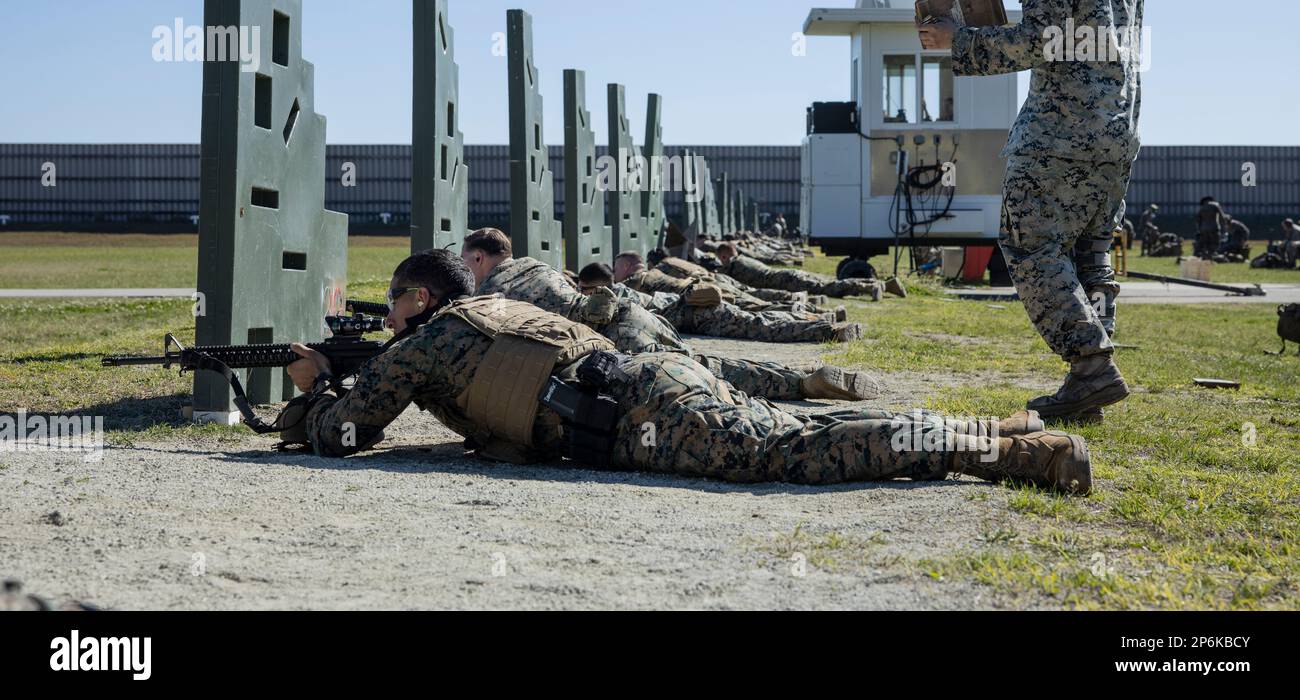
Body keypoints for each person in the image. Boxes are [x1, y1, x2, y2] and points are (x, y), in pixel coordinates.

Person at [287, 249, 1092, 493]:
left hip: (639, 419)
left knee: (796, 457)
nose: (386, 322)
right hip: (650, 385)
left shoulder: (426, 342)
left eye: (391, 308)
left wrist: (312, 389)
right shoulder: (487, 314)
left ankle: (1010, 456)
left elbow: (347, 435)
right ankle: (992, 431)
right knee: (798, 430)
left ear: (418, 298)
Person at [917, 0, 1179, 421]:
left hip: (1059, 138)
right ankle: (1088, 387)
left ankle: (1090, 367)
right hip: (1117, 137)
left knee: (1031, 245)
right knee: (1092, 256)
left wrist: (956, 41)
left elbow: (1038, 40)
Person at [458, 228, 870, 400]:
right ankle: (799, 378)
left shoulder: (494, 289)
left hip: (614, 337)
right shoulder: (535, 266)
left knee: (703, 378)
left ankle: (800, 385)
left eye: (467, 263)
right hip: (634, 315)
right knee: (704, 362)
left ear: (480, 257)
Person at [613, 252, 862, 344]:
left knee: (762, 320)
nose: (615, 274)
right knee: (761, 308)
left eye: (616, 269)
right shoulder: (662, 268)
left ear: (626, 267)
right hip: (708, 289)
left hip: (699, 304)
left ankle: (828, 327)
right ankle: (821, 316)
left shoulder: (634, 283)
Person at [715, 241, 906, 300]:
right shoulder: (742, 259)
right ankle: (885, 285)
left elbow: (723, 274)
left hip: (787, 281)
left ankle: (874, 287)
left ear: (724, 256)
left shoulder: (733, 264)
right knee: (826, 284)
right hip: (787, 277)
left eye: (720, 258)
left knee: (829, 287)